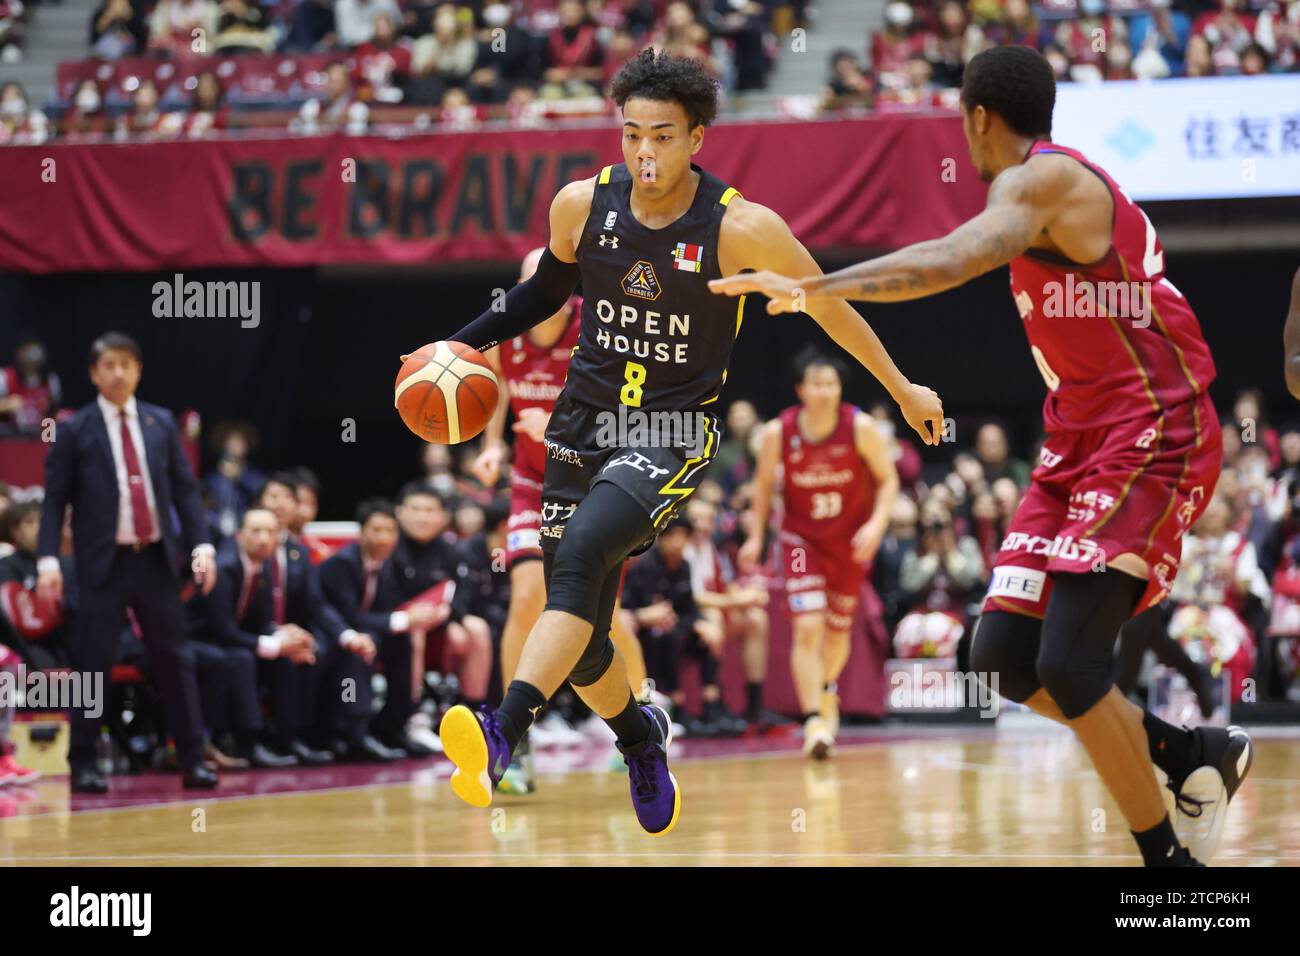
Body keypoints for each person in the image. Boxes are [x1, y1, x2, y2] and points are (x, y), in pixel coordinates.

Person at [711, 45, 1251, 866]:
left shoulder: (1040, 182)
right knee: (999, 656)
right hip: (1080, 433)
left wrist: (812, 289)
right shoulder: (1048, 186)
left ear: (976, 118)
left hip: (1152, 425)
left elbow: (950, 259)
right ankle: (1186, 752)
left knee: (1071, 665)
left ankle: (1169, 874)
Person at [421, 48, 943, 835]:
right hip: (580, 425)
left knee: (585, 552)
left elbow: (829, 304)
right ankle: (639, 738)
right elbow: (540, 295)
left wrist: (903, 389)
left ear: (696, 137)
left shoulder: (742, 227)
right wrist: (452, 346)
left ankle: (503, 730)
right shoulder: (580, 205)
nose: (643, 153)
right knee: (585, 632)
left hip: (669, 430)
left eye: (662, 136)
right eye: (631, 133)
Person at [470, 246, 647, 795]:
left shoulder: (594, 333)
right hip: (531, 484)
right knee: (526, 598)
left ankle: (640, 720)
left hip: (592, 481)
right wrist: (491, 446)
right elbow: (494, 391)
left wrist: (559, 422)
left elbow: (629, 409)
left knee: (602, 620)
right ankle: (514, 739)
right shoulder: (507, 337)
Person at [37, 332, 219, 793]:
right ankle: (83, 762)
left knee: (175, 660)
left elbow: (184, 490)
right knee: (91, 664)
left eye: (126, 364)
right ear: (94, 373)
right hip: (103, 563)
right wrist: (47, 560)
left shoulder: (160, 423)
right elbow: (54, 500)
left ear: (138, 370)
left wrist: (201, 545)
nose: (118, 372)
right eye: (109, 365)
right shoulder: (76, 428)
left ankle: (193, 758)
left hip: (155, 559)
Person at [742, 348, 899, 757]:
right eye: (817, 383)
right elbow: (761, 486)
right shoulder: (780, 432)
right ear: (801, 390)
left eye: (831, 383)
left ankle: (826, 692)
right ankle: (812, 717)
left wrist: (876, 525)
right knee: (808, 625)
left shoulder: (861, 427)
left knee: (837, 630)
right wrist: (756, 536)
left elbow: (888, 481)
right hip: (801, 539)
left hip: (848, 543)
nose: (825, 391)